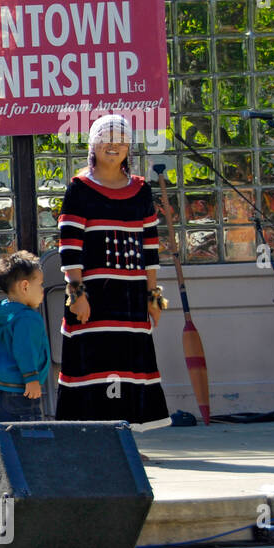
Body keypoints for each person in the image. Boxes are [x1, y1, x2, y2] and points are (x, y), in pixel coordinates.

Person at [57, 114, 170, 429]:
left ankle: (125, 435)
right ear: (94, 143)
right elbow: (70, 246)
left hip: (131, 299)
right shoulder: (79, 189)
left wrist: (153, 297)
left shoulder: (141, 190)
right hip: (94, 297)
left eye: (121, 140)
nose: (113, 146)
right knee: (94, 363)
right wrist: (76, 294)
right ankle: (94, 436)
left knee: (128, 364)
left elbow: (150, 246)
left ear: (129, 147)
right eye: (106, 138)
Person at [0, 250, 51, 423]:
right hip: (22, 389)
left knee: (1, 432)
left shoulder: (4, 312)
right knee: (27, 436)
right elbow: (24, 350)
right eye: (40, 284)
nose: (42, 290)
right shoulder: (26, 317)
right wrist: (32, 378)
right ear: (25, 286)